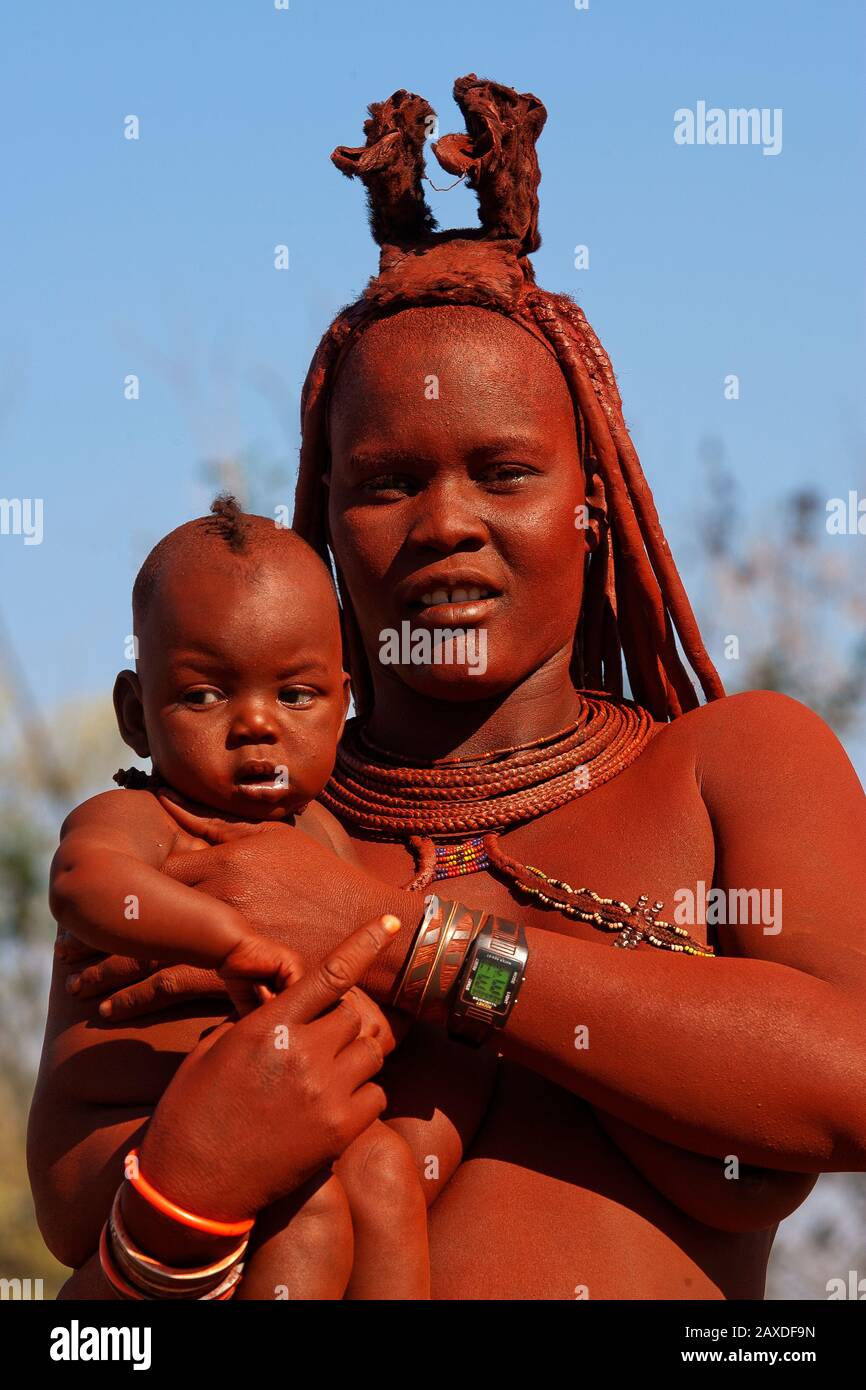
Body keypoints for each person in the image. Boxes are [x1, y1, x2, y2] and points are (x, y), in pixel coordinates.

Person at [29, 74, 866, 1301]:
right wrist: (183, 1200)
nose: (444, 525)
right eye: (383, 483)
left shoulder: (726, 766)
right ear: (320, 521)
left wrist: (411, 945)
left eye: (502, 471)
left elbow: (844, 1081)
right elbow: (80, 1279)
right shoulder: (201, 825)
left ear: (594, 505)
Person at [44, 496, 442, 1299]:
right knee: (316, 1210)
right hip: (118, 1149)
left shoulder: (326, 840)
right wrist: (224, 938)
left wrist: (379, 1014)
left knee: (387, 1173)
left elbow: (382, 951)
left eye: (294, 696)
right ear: (134, 715)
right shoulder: (143, 816)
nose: (255, 725)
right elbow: (84, 883)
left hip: (288, 1121)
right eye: (203, 696)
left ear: (344, 703)